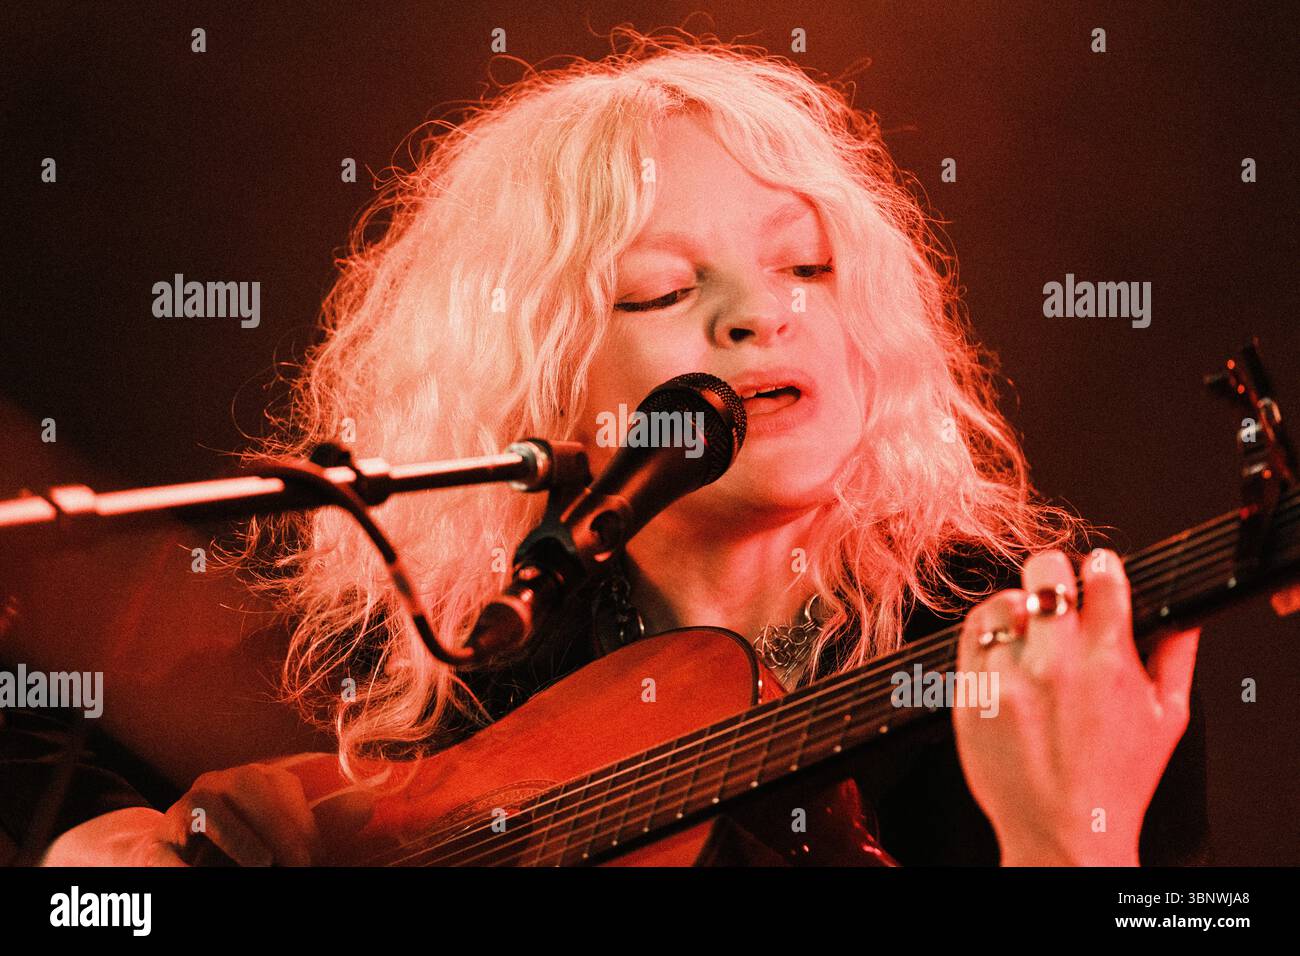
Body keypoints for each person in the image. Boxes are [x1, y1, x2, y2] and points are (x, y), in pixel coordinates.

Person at [41, 30, 1205, 867]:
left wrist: (1069, 834)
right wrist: (90, 852)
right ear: (545, 383)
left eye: (807, 265)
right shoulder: (434, 650)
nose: (763, 314)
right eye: (660, 290)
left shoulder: (1037, 644)